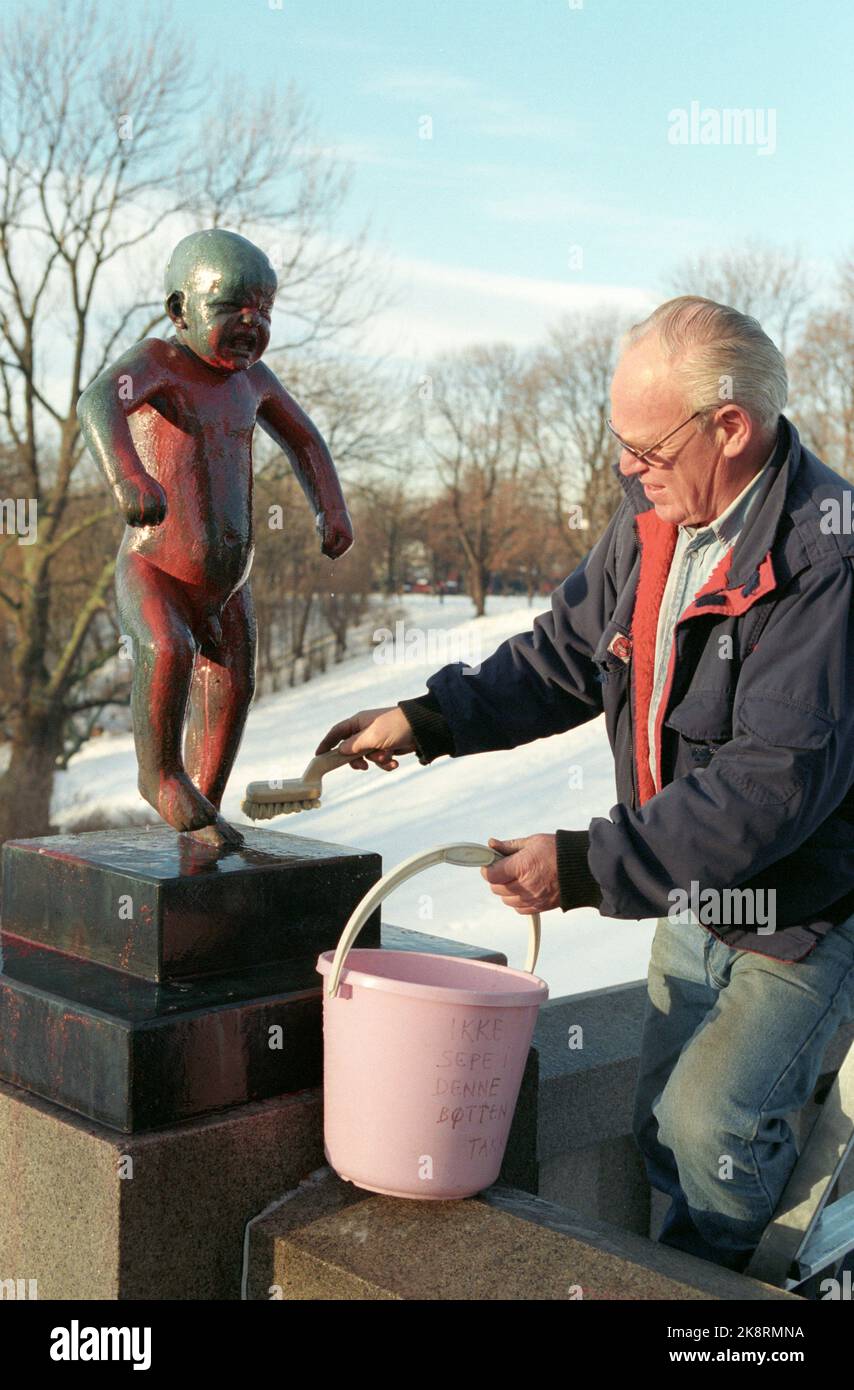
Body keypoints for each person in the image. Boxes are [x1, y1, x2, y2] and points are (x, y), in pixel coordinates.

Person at [316, 296, 854, 1274]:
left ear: (729, 428)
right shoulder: (655, 518)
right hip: (687, 892)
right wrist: (428, 720)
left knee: (708, 1135)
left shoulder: (827, 557)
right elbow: (562, 652)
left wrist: (583, 866)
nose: (624, 468)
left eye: (643, 448)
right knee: (657, 1126)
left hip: (800, 908)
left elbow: (770, 784)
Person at [77, 228, 353, 847]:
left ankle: (204, 802)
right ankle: (161, 776)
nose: (251, 323)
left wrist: (329, 508)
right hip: (158, 570)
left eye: (265, 309)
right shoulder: (158, 363)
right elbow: (98, 401)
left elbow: (306, 440)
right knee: (169, 652)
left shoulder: (254, 383)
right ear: (180, 309)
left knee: (234, 685)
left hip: (230, 585)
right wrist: (128, 476)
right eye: (232, 307)